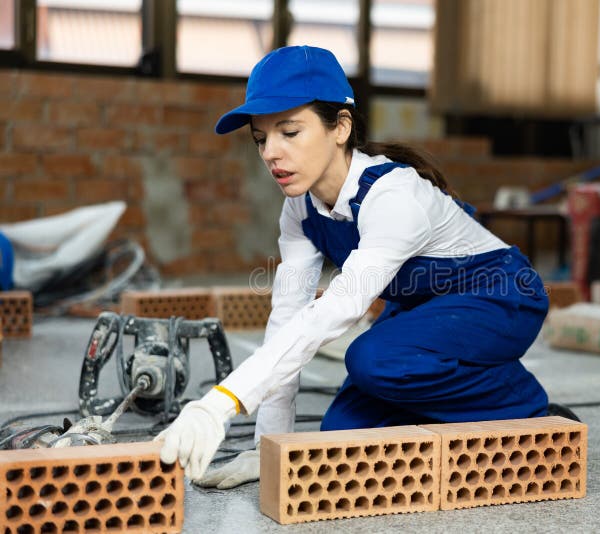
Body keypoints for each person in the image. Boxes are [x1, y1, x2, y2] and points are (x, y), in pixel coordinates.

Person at [157, 45, 559, 489]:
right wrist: (267, 447)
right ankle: (452, 402)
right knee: (341, 436)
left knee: (373, 360)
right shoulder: (300, 212)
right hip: (425, 309)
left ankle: (525, 406)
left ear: (341, 127)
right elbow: (287, 320)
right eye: (260, 138)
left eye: (289, 132)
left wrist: (222, 402)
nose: (271, 152)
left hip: (500, 296)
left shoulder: (393, 197)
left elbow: (336, 309)